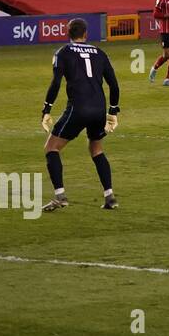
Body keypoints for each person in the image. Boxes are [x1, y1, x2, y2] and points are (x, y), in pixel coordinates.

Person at [40, 18, 121, 212]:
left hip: (78, 107)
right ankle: (110, 196)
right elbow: (114, 85)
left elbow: (56, 83)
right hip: (99, 109)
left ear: (68, 34)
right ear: (86, 34)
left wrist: (47, 109)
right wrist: (113, 112)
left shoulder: (63, 52)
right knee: (96, 148)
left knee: (51, 147)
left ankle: (60, 196)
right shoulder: (100, 53)